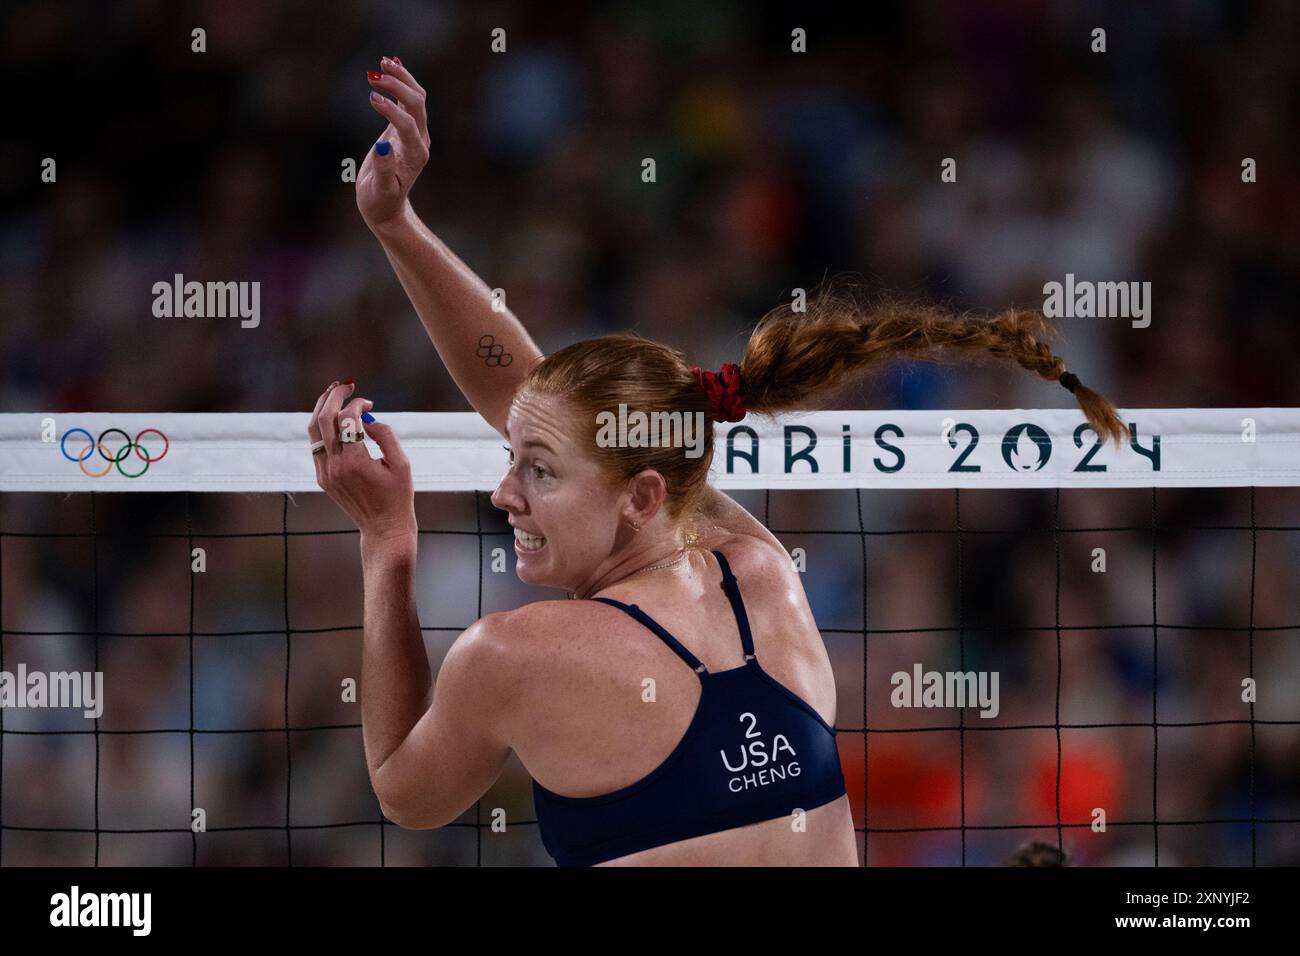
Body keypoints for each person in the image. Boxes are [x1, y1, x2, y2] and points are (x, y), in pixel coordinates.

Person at [307, 57, 1124, 867]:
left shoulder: (511, 656)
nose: (502, 492)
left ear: (642, 495)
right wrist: (397, 226)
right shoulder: (763, 572)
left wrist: (388, 540)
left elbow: (403, 794)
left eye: (538, 471)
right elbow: (539, 398)